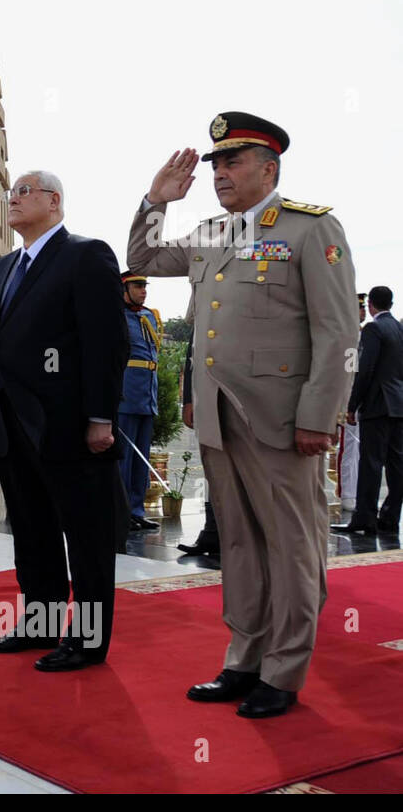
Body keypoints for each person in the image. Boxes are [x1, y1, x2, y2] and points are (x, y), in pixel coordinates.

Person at [128, 111, 358, 718]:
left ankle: (284, 670)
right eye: (215, 165)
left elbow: (338, 333)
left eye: (233, 161)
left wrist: (319, 415)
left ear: (269, 167)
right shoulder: (209, 234)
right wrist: (156, 199)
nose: (220, 174)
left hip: (283, 419)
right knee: (240, 542)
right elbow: (144, 257)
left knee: (291, 543)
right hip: (220, 418)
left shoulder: (311, 229)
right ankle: (243, 658)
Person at [0, 173, 128, 669]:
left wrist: (100, 417)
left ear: (54, 200)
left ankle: (87, 641)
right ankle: (40, 624)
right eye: (12, 193)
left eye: (25, 191)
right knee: (32, 529)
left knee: (85, 536)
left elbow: (106, 343)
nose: (14, 199)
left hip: (67, 424)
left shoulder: (85, 255)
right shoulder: (4, 267)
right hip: (11, 422)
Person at [333, 285, 403, 534]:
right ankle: (391, 517)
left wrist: (353, 405)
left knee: (370, 463)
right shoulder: (398, 328)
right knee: (396, 465)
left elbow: (365, 371)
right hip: (397, 404)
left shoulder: (373, 329)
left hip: (376, 405)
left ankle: (365, 518)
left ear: (371, 304)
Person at [116, 273, 162, 532]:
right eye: (137, 286)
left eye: (145, 286)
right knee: (124, 459)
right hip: (125, 394)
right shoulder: (115, 316)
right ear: (124, 288)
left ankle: (136, 509)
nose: (143, 291)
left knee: (141, 458)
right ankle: (121, 512)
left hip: (147, 394)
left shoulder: (149, 316)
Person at [176, 338, 221, 564]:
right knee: (212, 468)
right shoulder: (205, 303)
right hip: (207, 396)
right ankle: (212, 531)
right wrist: (188, 399)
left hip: (242, 396)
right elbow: (193, 351)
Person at [336, 293, 369, 516]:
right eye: (359, 308)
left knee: (359, 450)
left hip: (363, 399)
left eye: (364, 307)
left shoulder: (363, 335)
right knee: (348, 449)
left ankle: (356, 492)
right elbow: (349, 372)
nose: (363, 312)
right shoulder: (348, 337)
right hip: (349, 399)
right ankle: (348, 493)